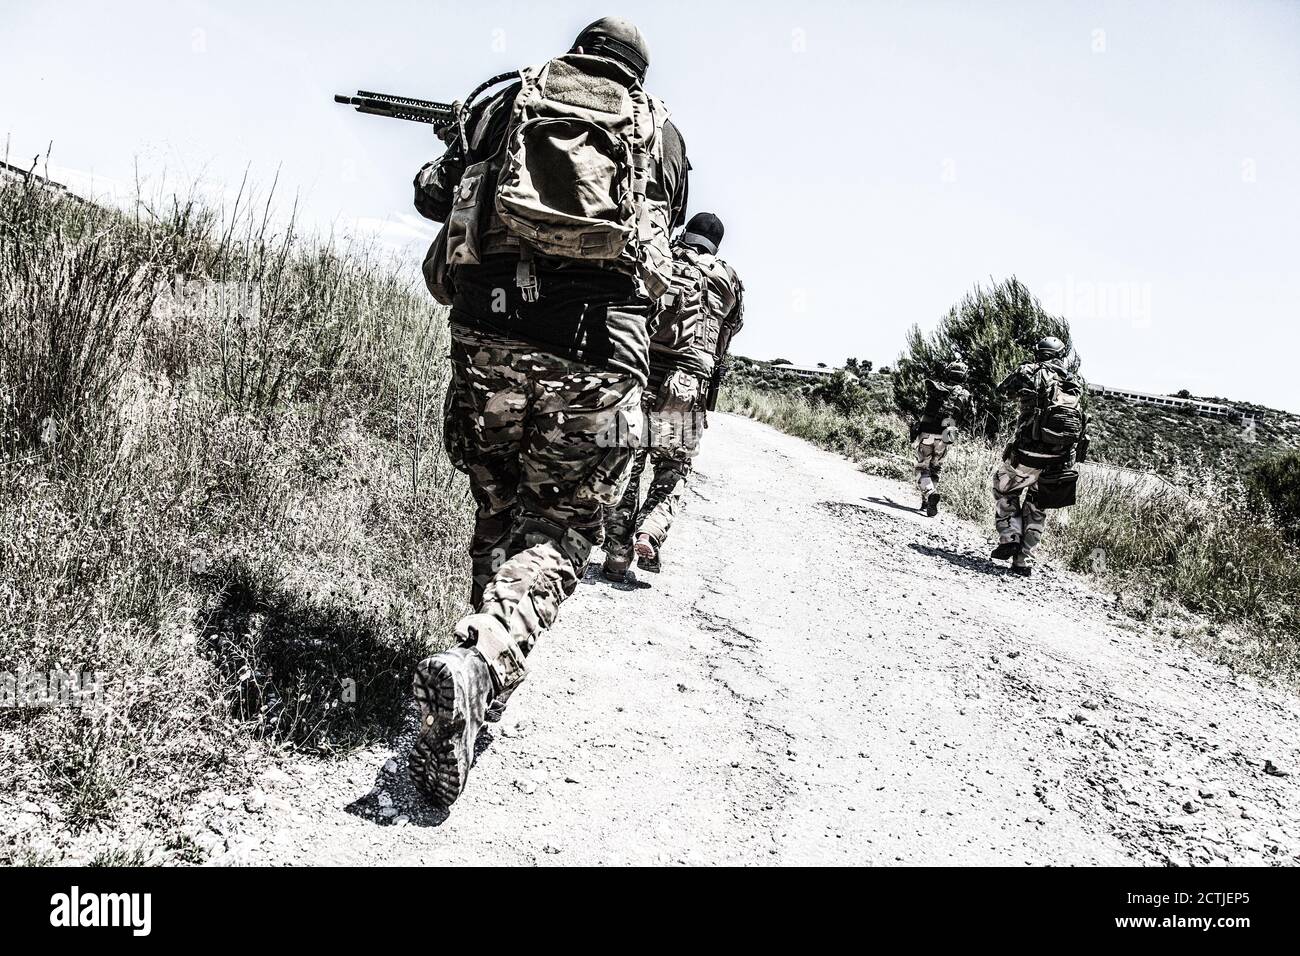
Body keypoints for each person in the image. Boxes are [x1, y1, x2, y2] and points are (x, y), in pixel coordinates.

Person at [407, 16, 689, 806]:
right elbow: (657, 247)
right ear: (636, 71)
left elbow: (430, 196)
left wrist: (459, 144)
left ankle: (476, 650)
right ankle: (481, 661)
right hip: (599, 353)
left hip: (488, 335)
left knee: (495, 489)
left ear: (579, 50)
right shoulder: (662, 134)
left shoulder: (509, 98)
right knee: (561, 525)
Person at [601, 212, 744, 579]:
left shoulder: (661, 257)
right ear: (716, 246)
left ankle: (616, 557)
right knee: (672, 468)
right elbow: (731, 328)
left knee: (623, 465)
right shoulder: (727, 279)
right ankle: (650, 530)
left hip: (637, 374)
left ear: (686, 233)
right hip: (686, 384)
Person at [990, 336, 1088, 576]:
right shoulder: (1074, 381)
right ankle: (1023, 561)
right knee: (1038, 506)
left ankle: (1010, 536)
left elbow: (1001, 393)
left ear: (1038, 353)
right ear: (1062, 355)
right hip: (1060, 459)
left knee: (1004, 489)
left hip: (1027, 452)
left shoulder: (1029, 371)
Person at [912, 360, 972, 517]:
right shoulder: (965, 394)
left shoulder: (937, 387)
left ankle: (929, 494)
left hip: (927, 430)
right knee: (936, 468)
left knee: (921, 468)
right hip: (948, 431)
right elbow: (969, 416)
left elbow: (925, 408)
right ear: (964, 376)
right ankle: (927, 502)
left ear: (948, 373)